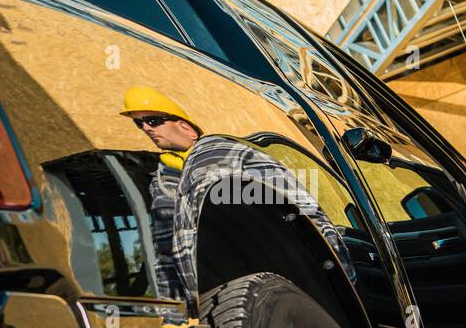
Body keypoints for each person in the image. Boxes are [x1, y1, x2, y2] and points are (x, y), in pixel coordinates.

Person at [120, 87, 354, 304]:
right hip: (227, 305)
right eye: (139, 124)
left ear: (186, 128)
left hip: (283, 295)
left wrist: (342, 278)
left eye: (153, 120)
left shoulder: (219, 154)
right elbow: (167, 251)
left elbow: (302, 209)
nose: (146, 128)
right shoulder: (167, 180)